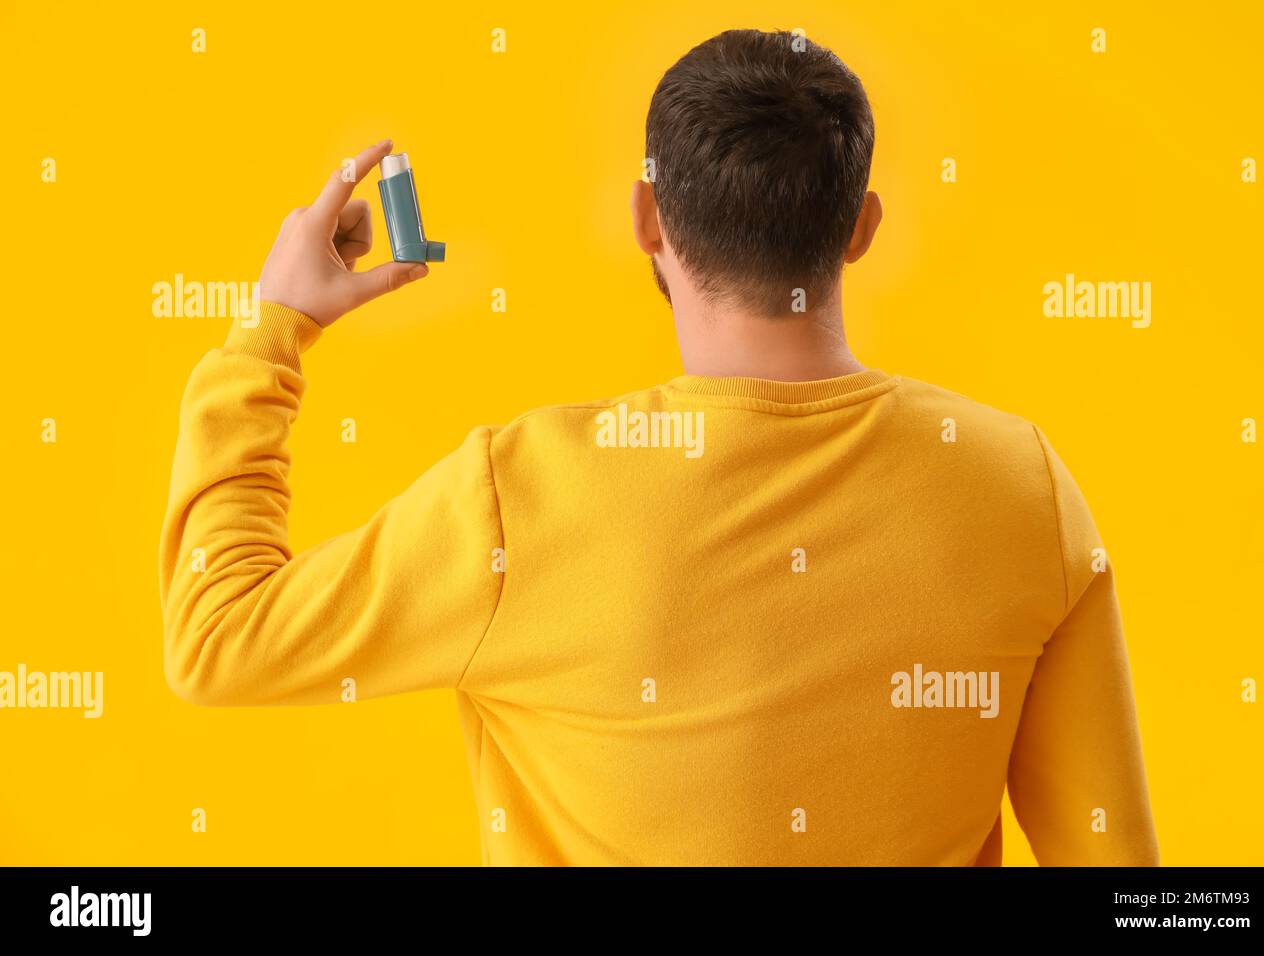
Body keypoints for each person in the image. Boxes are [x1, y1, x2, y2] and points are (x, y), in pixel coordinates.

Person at [160, 29, 1158, 866]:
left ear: (649, 220)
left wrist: (274, 330)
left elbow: (216, 635)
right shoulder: (1019, 485)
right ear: (858, 228)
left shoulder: (521, 497)